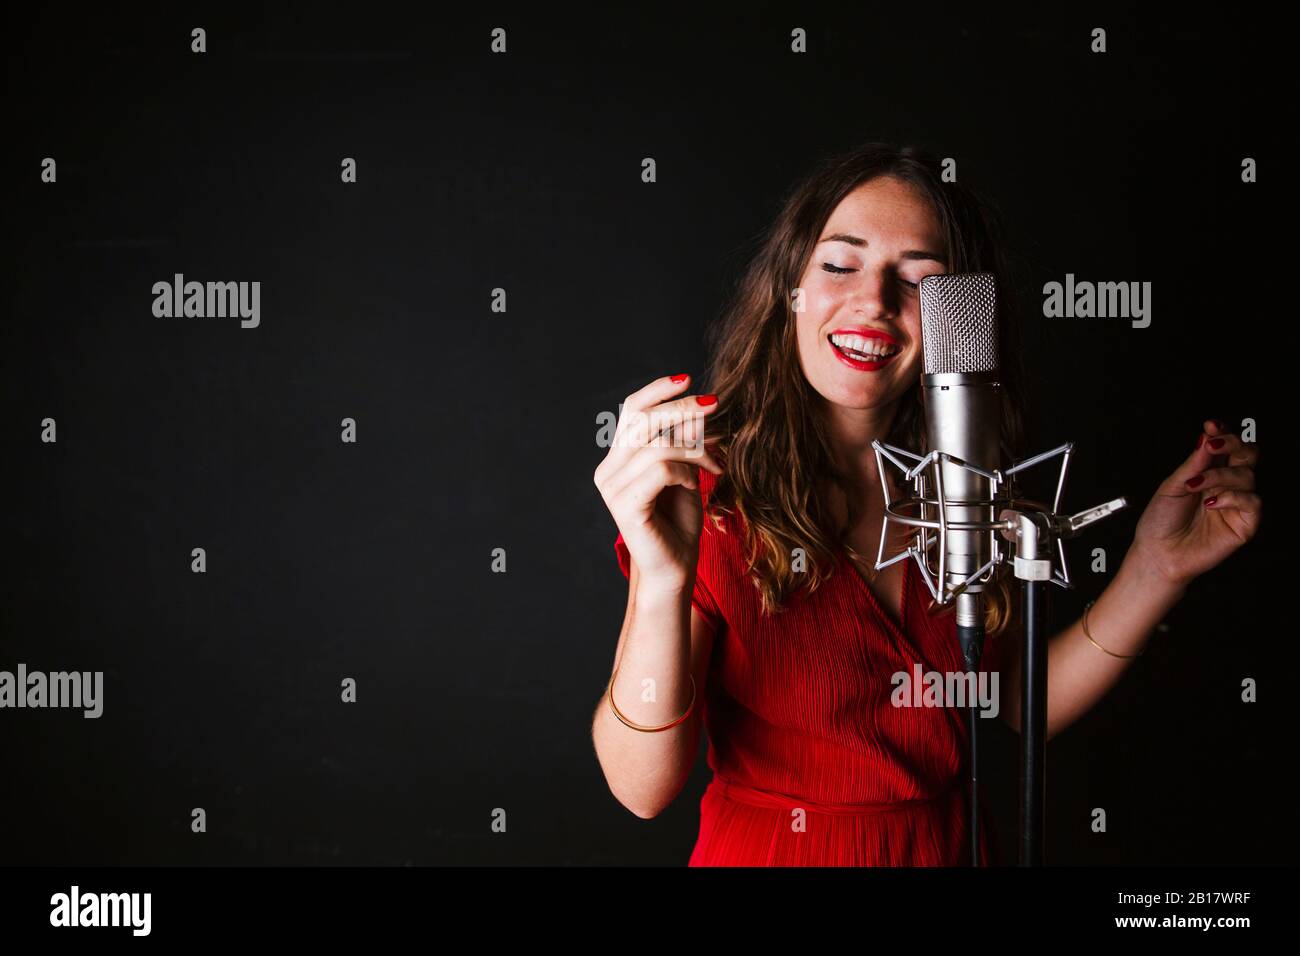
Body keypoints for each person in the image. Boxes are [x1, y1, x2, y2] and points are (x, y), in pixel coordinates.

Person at [589, 142, 1262, 866]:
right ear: (791, 286)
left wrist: (1156, 568)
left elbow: (1015, 703)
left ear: (956, 319)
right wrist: (663, 580)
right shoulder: (705, 475)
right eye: (839, 265)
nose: (873, 302)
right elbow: (641, 789)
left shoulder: (962, 473)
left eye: (918, 281)